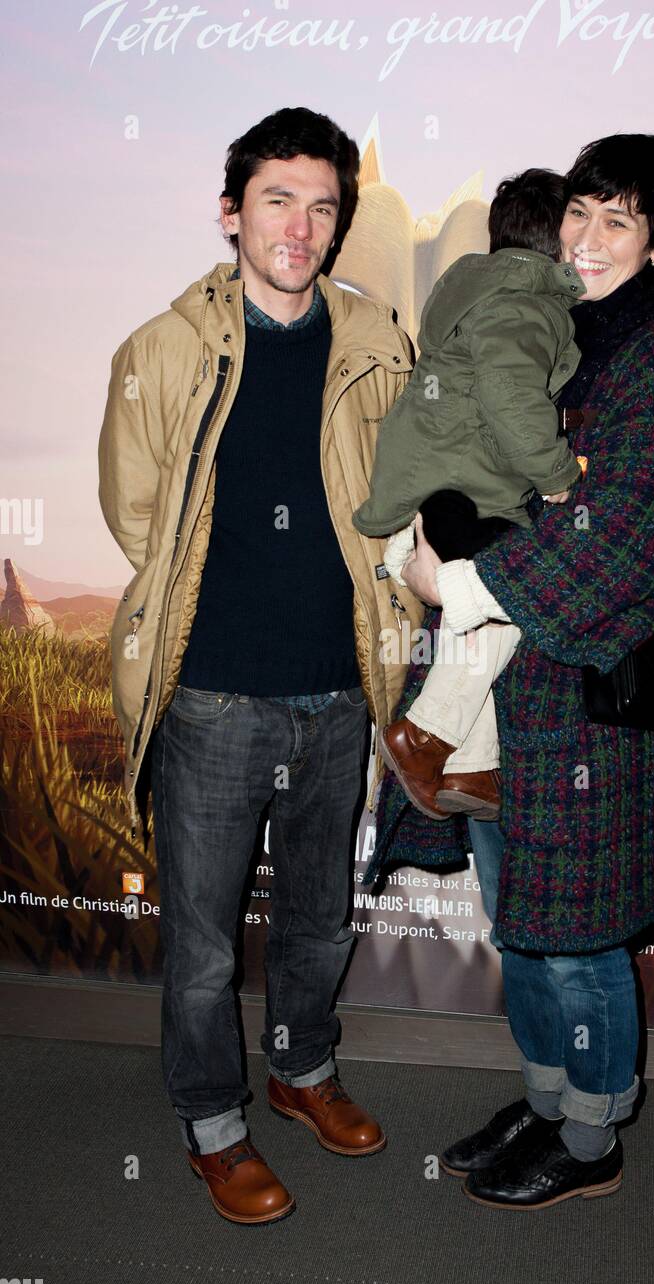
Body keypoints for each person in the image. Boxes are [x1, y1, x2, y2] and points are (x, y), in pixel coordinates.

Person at [365, 133, 654, 1210]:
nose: (587, 237)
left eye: (619, 219)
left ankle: (592, 1132)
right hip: (501, 706)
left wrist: (459, 587)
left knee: (576, 941)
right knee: (520, 921)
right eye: (578, 211)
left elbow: (630, 536)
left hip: (589, 714)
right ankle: (546, 1093)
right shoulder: (549, 338)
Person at [98, 106, 425, 1225]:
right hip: (215, 698)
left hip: (339, 692)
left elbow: (398, 500)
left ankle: (300, 1070)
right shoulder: (160, 349)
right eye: (277, 198)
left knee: (317, 919)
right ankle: (212, 1121)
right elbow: (137, 515)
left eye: (323, 204)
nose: (301, 223)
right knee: (200, 941)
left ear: (339, 223)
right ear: (229, 210)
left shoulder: (379, 340)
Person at [352, 170, 585, 823]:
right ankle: (424, 735)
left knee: (479, 623)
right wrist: (560, 476)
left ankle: (472, 768)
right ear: (559, 244)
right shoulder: (525, 306)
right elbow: (514, 406)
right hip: (472, 492)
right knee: (521, 601)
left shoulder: (475, 291)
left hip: (435, 487)